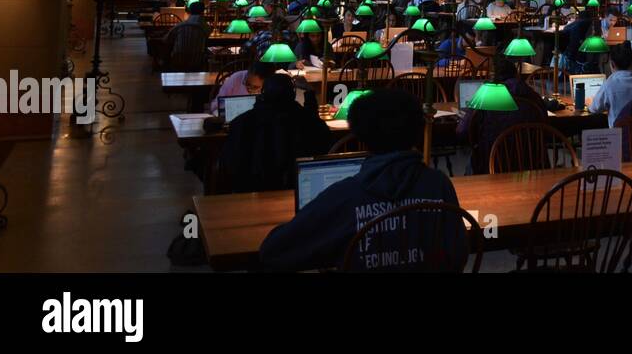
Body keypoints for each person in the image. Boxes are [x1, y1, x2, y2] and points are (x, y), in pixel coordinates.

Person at [258, 88, 466, 271]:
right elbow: (457, 254)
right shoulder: (440, 185)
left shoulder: (344, 195)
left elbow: (274, 252)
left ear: (360, 137)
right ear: (419, 131)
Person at [220, 73, 334, 193]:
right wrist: (309, 92)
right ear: (293, 94)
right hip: (298, 188)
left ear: (263, 93)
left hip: (250, 191)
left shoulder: (241, 122)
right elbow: (323, 140)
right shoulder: (305, 119)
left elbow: (229, 163)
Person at [457, 57, 545, 174]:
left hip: (492, 164)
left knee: (471, 163)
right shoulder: (534, 97)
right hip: (531, 165)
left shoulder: (486, 96)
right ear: (516, 74)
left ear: (493, 77)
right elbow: (545, 127)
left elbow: (462, 132)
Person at [591, 46, 632, 126]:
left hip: (618, 136)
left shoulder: (609, 84)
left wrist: (589, 102)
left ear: (612, 64)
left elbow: (595, 109)